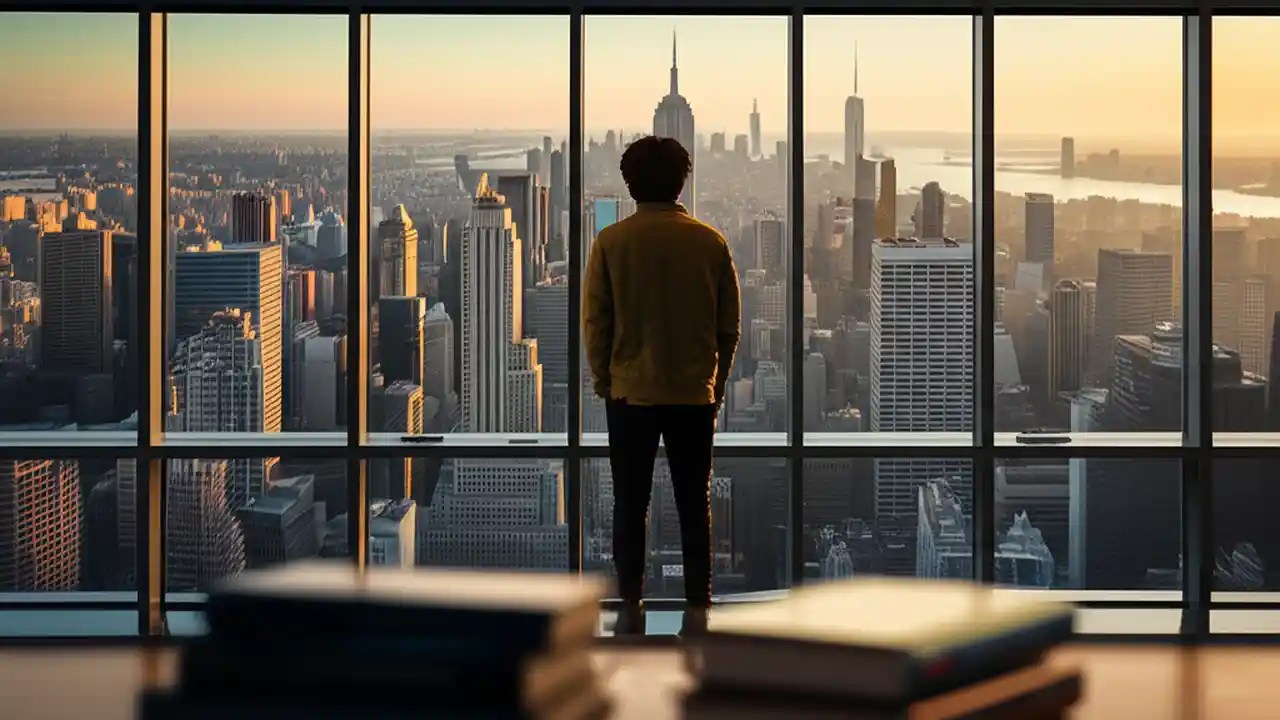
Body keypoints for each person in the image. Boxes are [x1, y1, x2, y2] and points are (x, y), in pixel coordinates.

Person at [583, 136, 741, 637]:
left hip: (630, 395)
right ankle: (700, 607)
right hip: (693, 394)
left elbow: (596, 322)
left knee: (630, 504)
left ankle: (630, 603)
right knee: (695, 504)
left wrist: (606, 380)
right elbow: (729, 327)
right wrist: (714, 384)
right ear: (681, 181)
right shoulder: (710, 242)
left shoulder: (611, 242)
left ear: (630, 185)